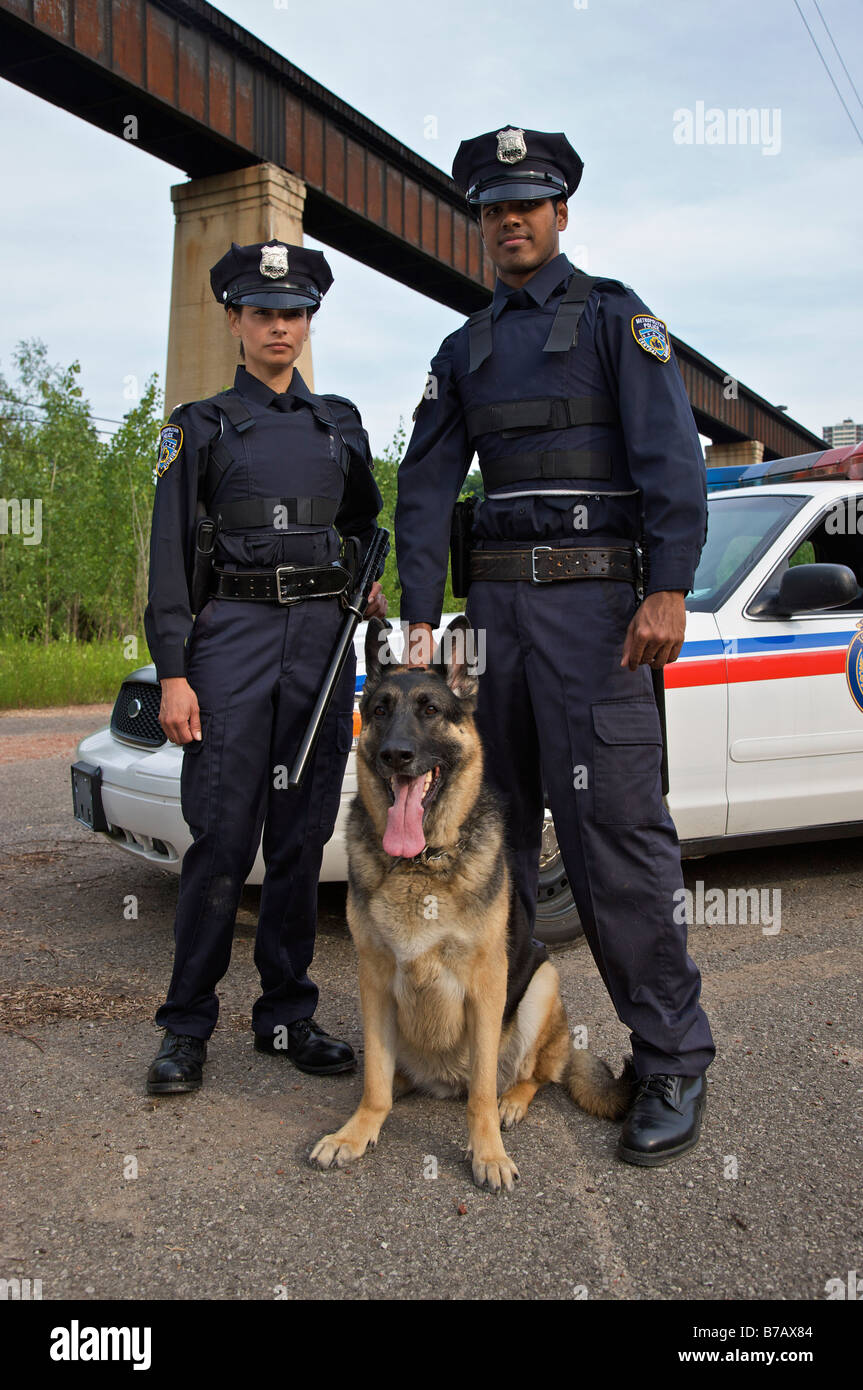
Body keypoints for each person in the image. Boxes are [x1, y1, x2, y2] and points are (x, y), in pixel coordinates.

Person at [395, 127, 714, 1166]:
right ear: (480, 222)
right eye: (493, 208)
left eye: (527, 204)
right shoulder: (464, 348)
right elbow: (425, 481)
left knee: (616, 841)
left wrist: (666, 585)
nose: (510, 222)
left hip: (593, 620)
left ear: (561, 212)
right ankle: (508, 1043)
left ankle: (669, 1058)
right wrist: (415, 605)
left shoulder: (618, 320)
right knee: (489, 841)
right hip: (489, 626)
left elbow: (672, 456)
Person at [144, 240, 386, 1094]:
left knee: (298, 840)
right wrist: (174, 670)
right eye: (261, 313)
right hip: (233, 640)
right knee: (220, 838)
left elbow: (362, 520)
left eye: (292, 314)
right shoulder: (197, 426)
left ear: (308, 321)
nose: (277, 327)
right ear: (236, 322)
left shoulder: (340, 425)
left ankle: (286, 1016)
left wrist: (370, 584)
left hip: (321, 642)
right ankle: (186, 1027)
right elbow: (169, 561)